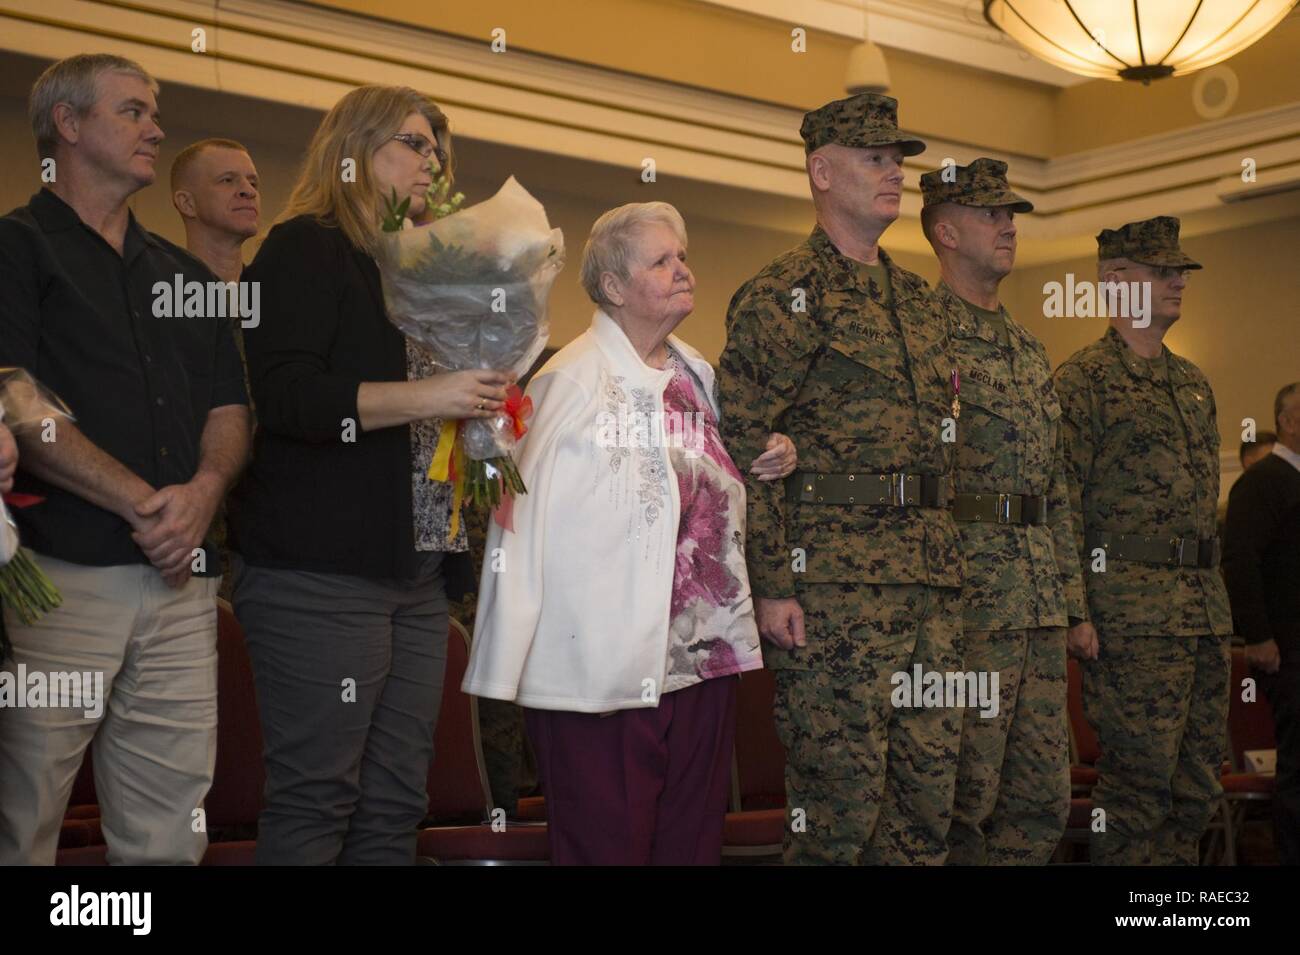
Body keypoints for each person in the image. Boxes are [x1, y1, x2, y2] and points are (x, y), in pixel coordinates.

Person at [463, 201, 797, 865]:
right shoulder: (572, 379)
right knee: (606, 847)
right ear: (614, 286)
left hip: (701, 657)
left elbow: (721, 475)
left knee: (691, 846)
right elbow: (516, 523)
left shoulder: (695, 373)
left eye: (683, 257)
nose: (684, 270)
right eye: (661, 260)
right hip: (597, 669)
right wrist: (505, 658)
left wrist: (774, 452)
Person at [227, 84, 506, 865]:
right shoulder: (302, 248)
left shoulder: (421, 272)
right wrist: (432, 394)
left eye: (437, 149)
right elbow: (286, 396)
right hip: (320, 569)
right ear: (354, 151)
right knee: (319, 794)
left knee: (395, 802)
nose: (433, 161)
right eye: (414, 143)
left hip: (414, 571)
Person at [0, 53, 251, 865]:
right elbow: (14, 393)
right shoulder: (17, 246)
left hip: (182, 583)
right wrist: (147, 501)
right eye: (135, 112)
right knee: (27, 811)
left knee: (170, 823)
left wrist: (204, 491)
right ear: (68, 125)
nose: (157, 128)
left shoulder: (183, 273)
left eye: (155, 112)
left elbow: (231, 407)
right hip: (61, 575)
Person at [718, 93, 964, 865]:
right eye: (874, 160)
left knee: (926, 808)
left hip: (930, 583)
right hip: (831, 592)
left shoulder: (921, 303)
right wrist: (772, 583)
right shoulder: (785, 294)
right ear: (822, 171)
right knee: (838, 811)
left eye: (899, 162)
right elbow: (742, 443)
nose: (895, 174)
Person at [1053, 216, 1233, 866]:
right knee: (1135, 794)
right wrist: (1076, 610)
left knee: (1194, 791)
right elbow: (1063, 501)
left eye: (1179, 270)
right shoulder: (1084, 382)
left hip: (1202, 615)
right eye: (1163, 271)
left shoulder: (1192, 384)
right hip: (1132, 621)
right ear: (1115, 281)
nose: (1178, 281)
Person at [919, 159, 1083, 865]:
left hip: (1039, 604)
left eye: (1011, 213)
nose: (1009, 225)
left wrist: (1074, 603)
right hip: (969, 607)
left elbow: (1059, 491)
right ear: (946, 231)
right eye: (992, 214)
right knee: (965, 793)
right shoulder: (922, 338)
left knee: (1042, 797)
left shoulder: (1027, 348)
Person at [1223, 381, 1300, 865]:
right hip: (1288, 651)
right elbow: (1241, 560)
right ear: (1290, 421)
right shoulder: (1262, 481)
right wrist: (1259, 636)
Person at [170, 137, 260, 283]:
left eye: (253, 183)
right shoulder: (159, 295)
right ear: (187, 203)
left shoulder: (272, 295)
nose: (249, 191)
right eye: (227, 180)